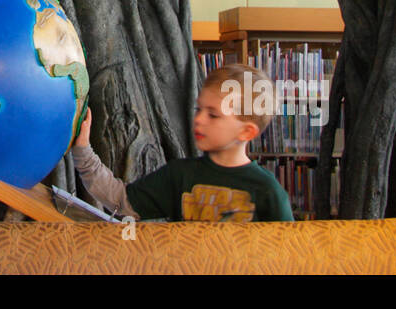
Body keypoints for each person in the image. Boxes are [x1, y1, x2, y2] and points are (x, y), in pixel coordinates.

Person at [71, 63, 294, 222]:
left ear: (246, 132)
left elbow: (290, 255)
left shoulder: (267, 190)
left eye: (213, 115)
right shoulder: (180, 175)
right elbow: (121, 201)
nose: (198, 119)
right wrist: (83, 151)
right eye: (199, 109)